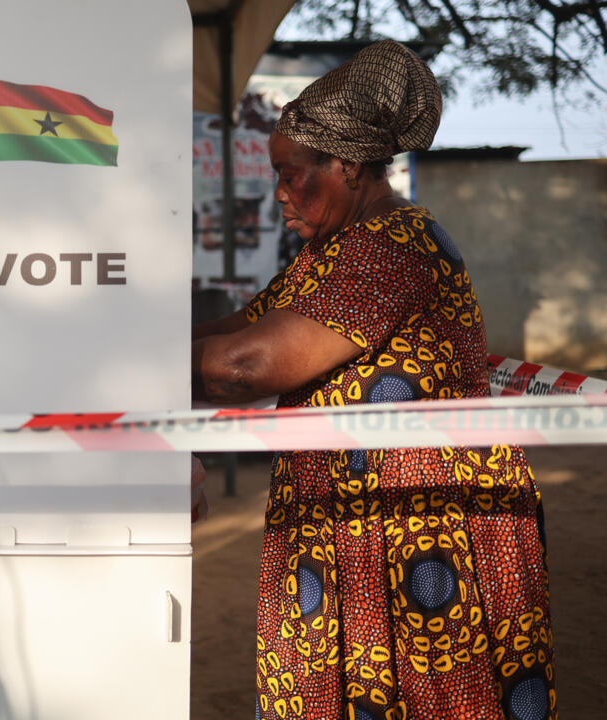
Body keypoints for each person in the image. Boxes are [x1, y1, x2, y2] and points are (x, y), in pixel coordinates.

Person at [192, 41, 555, 718]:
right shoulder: (333, 253)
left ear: (347, 165)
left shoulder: (393, 247)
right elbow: (240, 331)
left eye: (292, 175)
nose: (279, 196)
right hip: (359, 526)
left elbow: (249, 364)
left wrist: (134, 368)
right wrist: (129, 355)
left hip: (422, 533)